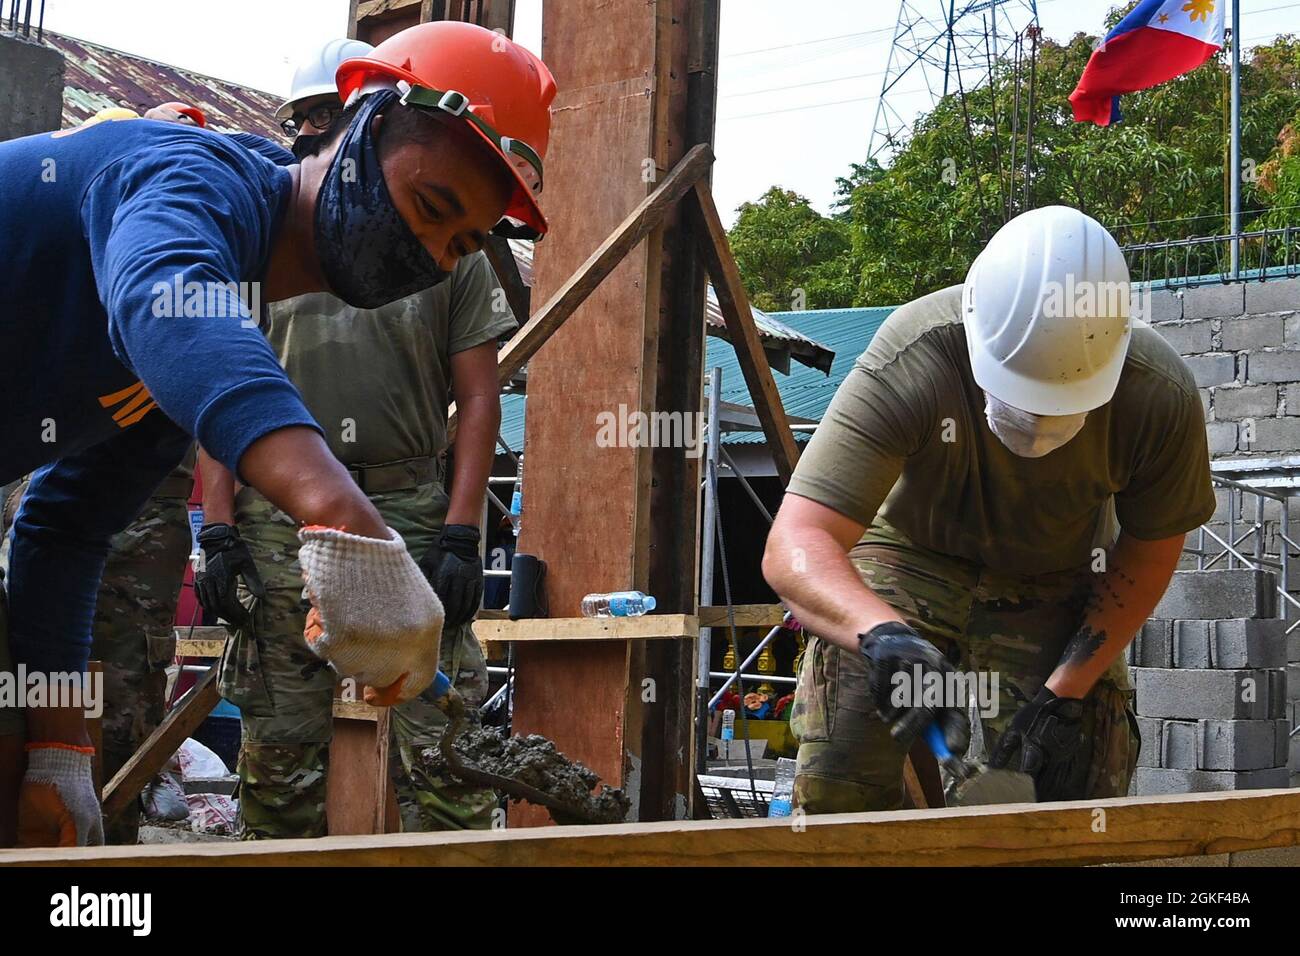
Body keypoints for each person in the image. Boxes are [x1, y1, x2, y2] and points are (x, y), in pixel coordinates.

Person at [0, 19, 555, 846]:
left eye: (460, 243)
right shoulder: (188, 174)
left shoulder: (231, 289)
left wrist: (56, 748)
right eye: (430, 208)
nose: (432, 254)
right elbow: (168, 300)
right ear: (362, 126)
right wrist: (344, 514)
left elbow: (65, 531)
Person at [762, 206, 1215, 811]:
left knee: (1068, 775)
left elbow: (1148, 558)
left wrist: (1064, 692)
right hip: (910, 553)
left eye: (1058, 406)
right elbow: (797, 541)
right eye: (1020, 396)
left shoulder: (1160, 394)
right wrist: (882, 637)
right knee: (843, 751)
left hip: (1060, 572)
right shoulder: (915, 354)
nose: (1035, 426)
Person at [194, 35, 512, 838]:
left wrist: (463, 534)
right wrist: (221, 529)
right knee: (279, 752)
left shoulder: (452, 250)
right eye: (304, 121)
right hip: (279, 518)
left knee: (445, 754)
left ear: (372, 125)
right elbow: (214, 390)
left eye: (328, 118)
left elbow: (479, 398)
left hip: (405, 502)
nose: (314, 135)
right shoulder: (259, 235)